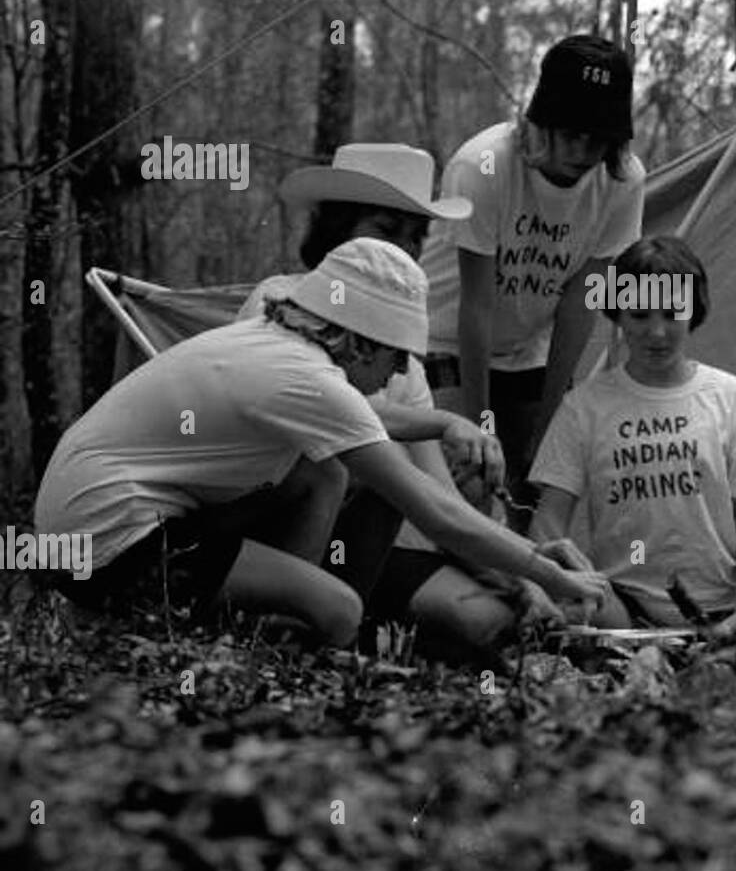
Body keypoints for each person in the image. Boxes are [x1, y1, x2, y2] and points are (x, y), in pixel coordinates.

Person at [35, 239, 607, 645]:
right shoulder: (307, 380)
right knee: (342, 610)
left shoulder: (274, 344)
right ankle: (281, 677)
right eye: (395, 357)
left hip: (91, 526)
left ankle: (265, 629)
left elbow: (374, 414)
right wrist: (547, 573)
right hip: (110, 541)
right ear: (360, 344)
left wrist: (440, 423)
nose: (394, 375)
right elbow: (436, 513)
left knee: (322, 474)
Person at [242, 143, 527, 657]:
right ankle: (290, 629)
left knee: (492, 619)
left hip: (359, 548)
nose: (402, 250)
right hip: (258, 530)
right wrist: (439, 421)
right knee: (336, 467)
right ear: (339, 230)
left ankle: (352, 629)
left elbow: (436, 499)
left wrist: (525, 573)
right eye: (384, 230)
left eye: (415, 238)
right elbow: (314, 413)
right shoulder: (279, 301)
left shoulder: (405, 361)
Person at [418, 34, 646, 521]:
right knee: (470, 476)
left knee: (535, 480)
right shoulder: (484, 166)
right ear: (539, 123)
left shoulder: (623, 182)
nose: (582, 148)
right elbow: (474, 307)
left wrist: (548, 427)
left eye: (597, 135)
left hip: (528, 348)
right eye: (570, 132)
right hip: (443, 338)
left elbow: (579, 305)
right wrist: (480, 426)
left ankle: (530, 582)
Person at [529, 235, 736, 634]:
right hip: (618, 609)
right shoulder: (585, 406)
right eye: (640, 315)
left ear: (694, 311)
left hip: (718, 609)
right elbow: (549, 516)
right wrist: (559, 587)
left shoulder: (730, 397)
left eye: (671, 313)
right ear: (617, 314)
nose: (657, 332)